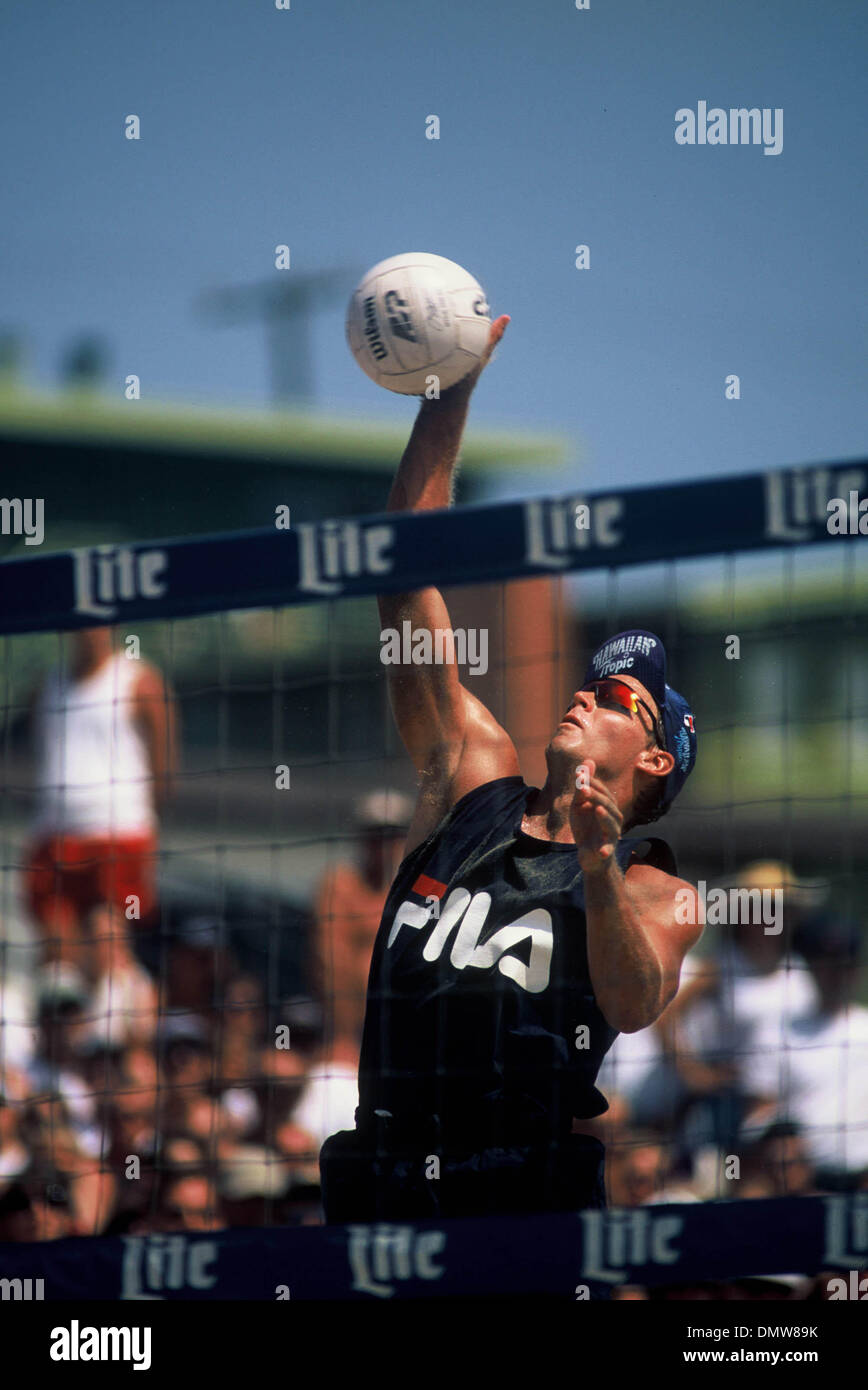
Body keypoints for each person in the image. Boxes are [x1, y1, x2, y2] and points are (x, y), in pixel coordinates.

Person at [320, 316, 701, 1228]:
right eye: (589, 680)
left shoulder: (658, 889)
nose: (585, 694)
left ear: (653, 758)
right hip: (381, 1184)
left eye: (615, 695)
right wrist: (445, 389)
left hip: (519, 1203)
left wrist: (601, 866)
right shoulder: (471, 780)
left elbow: (635, 1002)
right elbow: (401, 572)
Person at [25, 625, 177, 966]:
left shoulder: (139, 681)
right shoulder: (47, 684)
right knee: (55, 947)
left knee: (108, 940)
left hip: (119, 833)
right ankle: (66, 1016)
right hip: (54, 832)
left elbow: (165, 769)